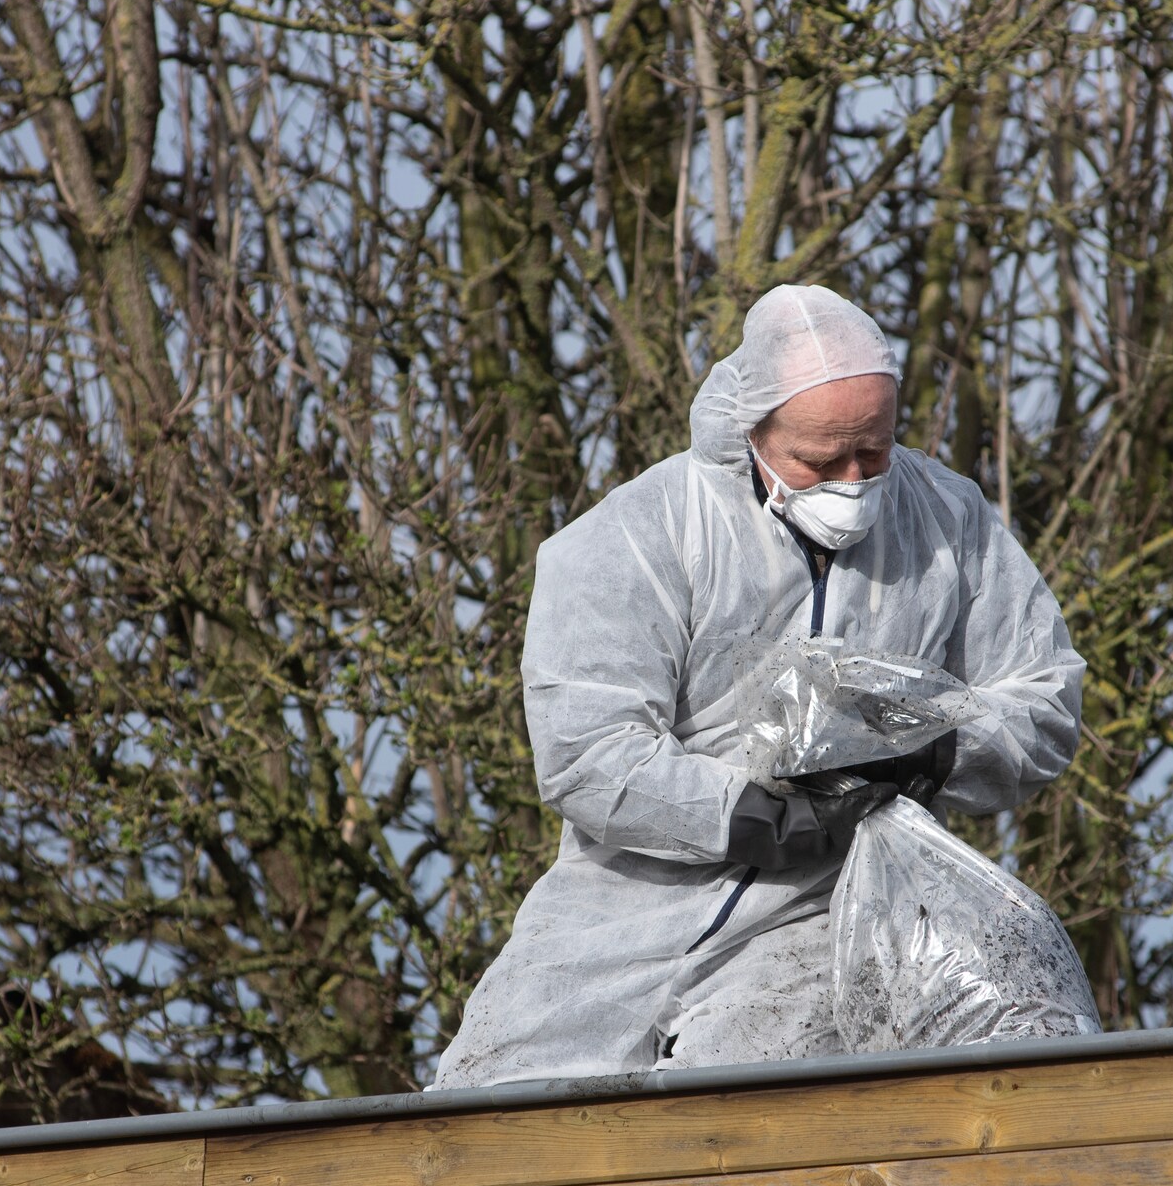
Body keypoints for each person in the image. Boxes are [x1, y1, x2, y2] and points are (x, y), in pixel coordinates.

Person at [430, 285, 1085, 1087]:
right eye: (820, 459)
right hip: (618, 915)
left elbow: (1044, 702)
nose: (853, 480)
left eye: (872, 452)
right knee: (490, 1117)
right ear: (753, 431)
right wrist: (754, 813)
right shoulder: (639, 533)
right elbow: (588, 752)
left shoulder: (949, 520)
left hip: (835, 910)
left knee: (758, 1119)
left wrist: (934, 749)